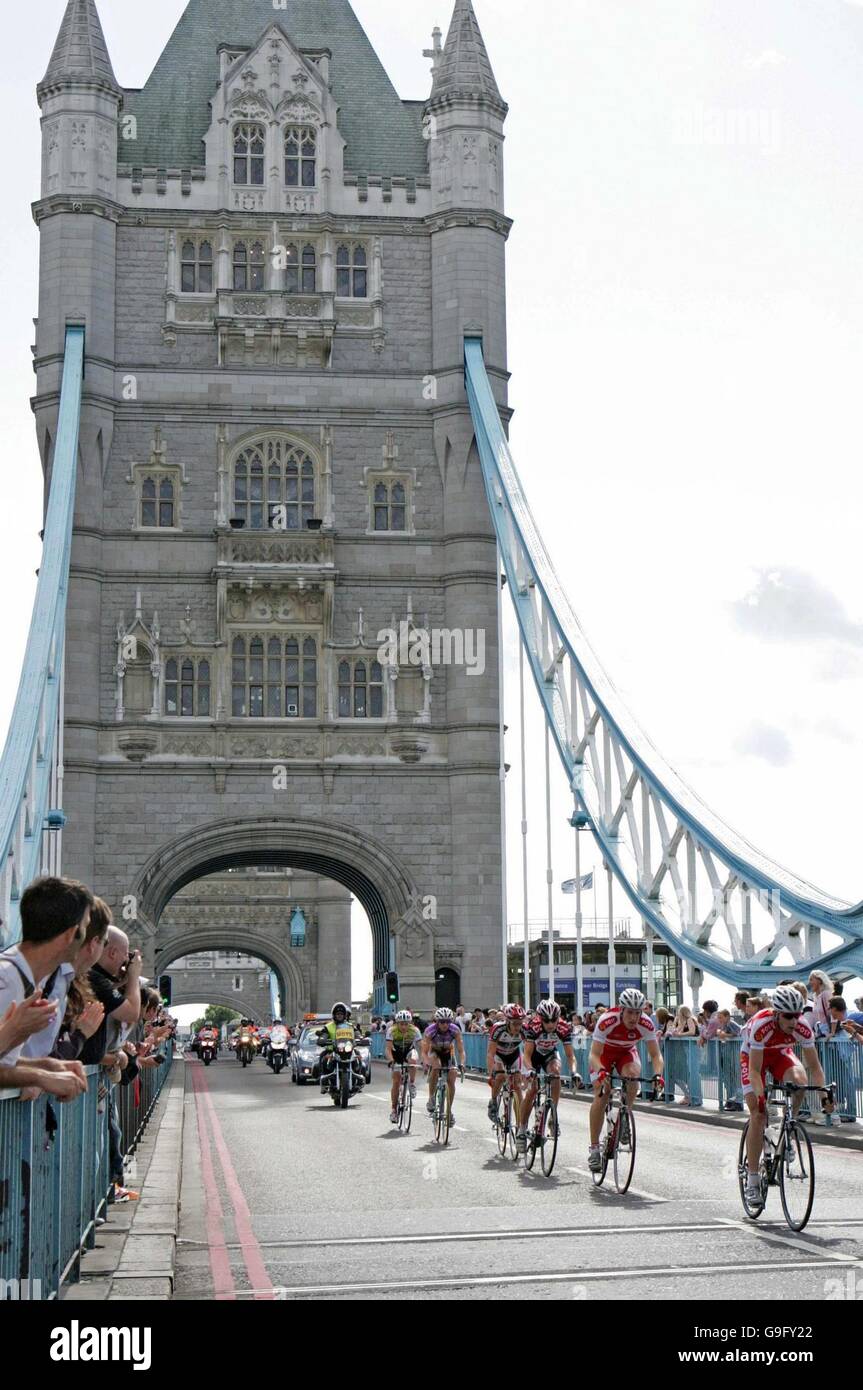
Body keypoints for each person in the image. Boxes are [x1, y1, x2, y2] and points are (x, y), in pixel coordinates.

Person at [0, 876, 95, 1100]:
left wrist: (47, 1065)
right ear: (71, 935)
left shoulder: (22, 978)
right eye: (85, 927)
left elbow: (4, 1061)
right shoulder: (7, 980)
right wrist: (40, 1077)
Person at [740, 986, 831, 1204]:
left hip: (781, 1054)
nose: (794, 1021)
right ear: (776, 1014)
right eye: (788, 1016)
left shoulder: (802, 1027)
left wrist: (825, 1097)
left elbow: (815, 1068)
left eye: (797, 1015)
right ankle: (752, 1180)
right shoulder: (761, 1026)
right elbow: (754, 1071)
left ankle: (787, 1126)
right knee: (758, 1114)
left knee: (800, 1082)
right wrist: (761, 1098)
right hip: (754, 1058)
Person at [587, 989, 663, 1172]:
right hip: (603, 1055)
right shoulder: (607, 1020)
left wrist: (659, 1075)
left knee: (633, 1076)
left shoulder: (646, 1023)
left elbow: (655, 1055)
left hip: (625, 1053)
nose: (634, 1017)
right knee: (602, 1093)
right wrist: (602, 1072)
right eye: (630, 1012)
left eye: (638, 1012)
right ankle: (594, 1148)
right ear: (621, 1009)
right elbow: (594, 1055)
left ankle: (624, 1116)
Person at [520, 999, 576, 1154]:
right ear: (540, 1018)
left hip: (550, 1054)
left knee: (556, 1074)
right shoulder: (533, 1027)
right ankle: (522, 1130)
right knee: (532, 1090)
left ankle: (552, 1116)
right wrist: (530, 1070)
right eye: (546, 1020)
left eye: (554, 1020)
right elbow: (527, 1055)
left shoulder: (564, 1027)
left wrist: (574, 1072)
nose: (551, 1024)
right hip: (533, 1057)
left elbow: (571, 1056)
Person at [421, 1007, 465, 1124]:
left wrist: (462, 1063)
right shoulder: (430, 1030)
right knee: (436, 1066)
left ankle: (449, 1111)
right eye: (442, 1022)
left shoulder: (455, 1029)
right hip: (434, 1052)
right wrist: (426, 1062)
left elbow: (461, 1050)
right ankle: (431, 1098)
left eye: (447, 1022)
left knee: (452, 1077)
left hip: (448, 1052)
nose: (445, 1024)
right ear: (437, 1021)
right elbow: (424, 1052)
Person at [486, 1003, 527, 1126]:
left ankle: (521, 1124)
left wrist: (526, 1071)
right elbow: (490, 1053)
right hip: (499, 1055)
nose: (518, 1026)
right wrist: (491, 1072)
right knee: (500, 1076)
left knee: (517, 1086)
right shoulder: (498, 1028)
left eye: (520, 1023)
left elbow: (528, 1051)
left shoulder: (524, 1030)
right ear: (507, 1021)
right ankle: (493, 1102)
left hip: (514, 1054)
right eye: (514, 1023)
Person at [317, 1002, 362, 1094]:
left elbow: (357, 1034)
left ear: (345, 1015)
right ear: (334, 1015)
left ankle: (359, 1079)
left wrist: (360, 1039)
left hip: (348, 1049)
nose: (340, 1016)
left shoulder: (350, 1026)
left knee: (358, 1055)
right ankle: (324, 1082)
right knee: (323, 1057)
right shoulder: (328, 1026)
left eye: (341, 1014)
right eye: (338, 1014)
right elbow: (324, 1035)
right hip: (333, 1050)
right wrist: (322, 1039)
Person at [385, 1009, 422, 1123]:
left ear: (410, 1023)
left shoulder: (415, 1030)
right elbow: (388, 1048)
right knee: (396, 1082)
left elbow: (421, 1045)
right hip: (396, 1054)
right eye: (401, 1024)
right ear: (397, 1023)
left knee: (413, 1059)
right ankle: (394, 1111)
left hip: (408, 1051)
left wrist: (426, 1059)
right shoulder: (392, 1030)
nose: (404, 1026)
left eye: (406, 1024)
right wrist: (391, 1060)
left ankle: (411, 1083)